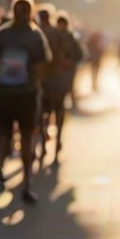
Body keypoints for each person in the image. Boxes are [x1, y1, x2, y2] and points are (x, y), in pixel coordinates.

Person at [0, 0, 52, 202]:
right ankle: (26, 183)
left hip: (6, 91)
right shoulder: (35, 35)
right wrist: (35, 81)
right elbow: (44, 63)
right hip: (27, 93)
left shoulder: (0, 35)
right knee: (26, 137)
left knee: (4, 135)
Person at [41, 11, 85, 163]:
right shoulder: (69, 37)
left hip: (50, 85)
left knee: (48, 116)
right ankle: (53, 142)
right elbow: (80, 56)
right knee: (56, 116)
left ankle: (48, 143)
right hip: (57, 85)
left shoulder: (49, 35)